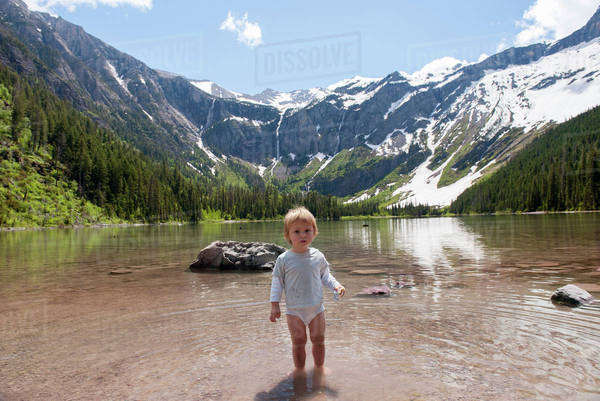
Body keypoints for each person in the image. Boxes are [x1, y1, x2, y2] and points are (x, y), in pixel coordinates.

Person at [269, 206, 346, 378]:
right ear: (288, 235)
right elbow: (277, 283)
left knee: (318, 339)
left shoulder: (318, 256)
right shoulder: (284, 259)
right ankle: (299, 370)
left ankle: (319, 368)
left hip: (316, 309)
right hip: (294, 310)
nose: (302, 235)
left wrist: (336, 286)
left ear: (314, 232)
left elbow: (325, 276)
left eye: (307, 230)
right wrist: (274, 305)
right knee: (298, 341)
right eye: (296, 231)